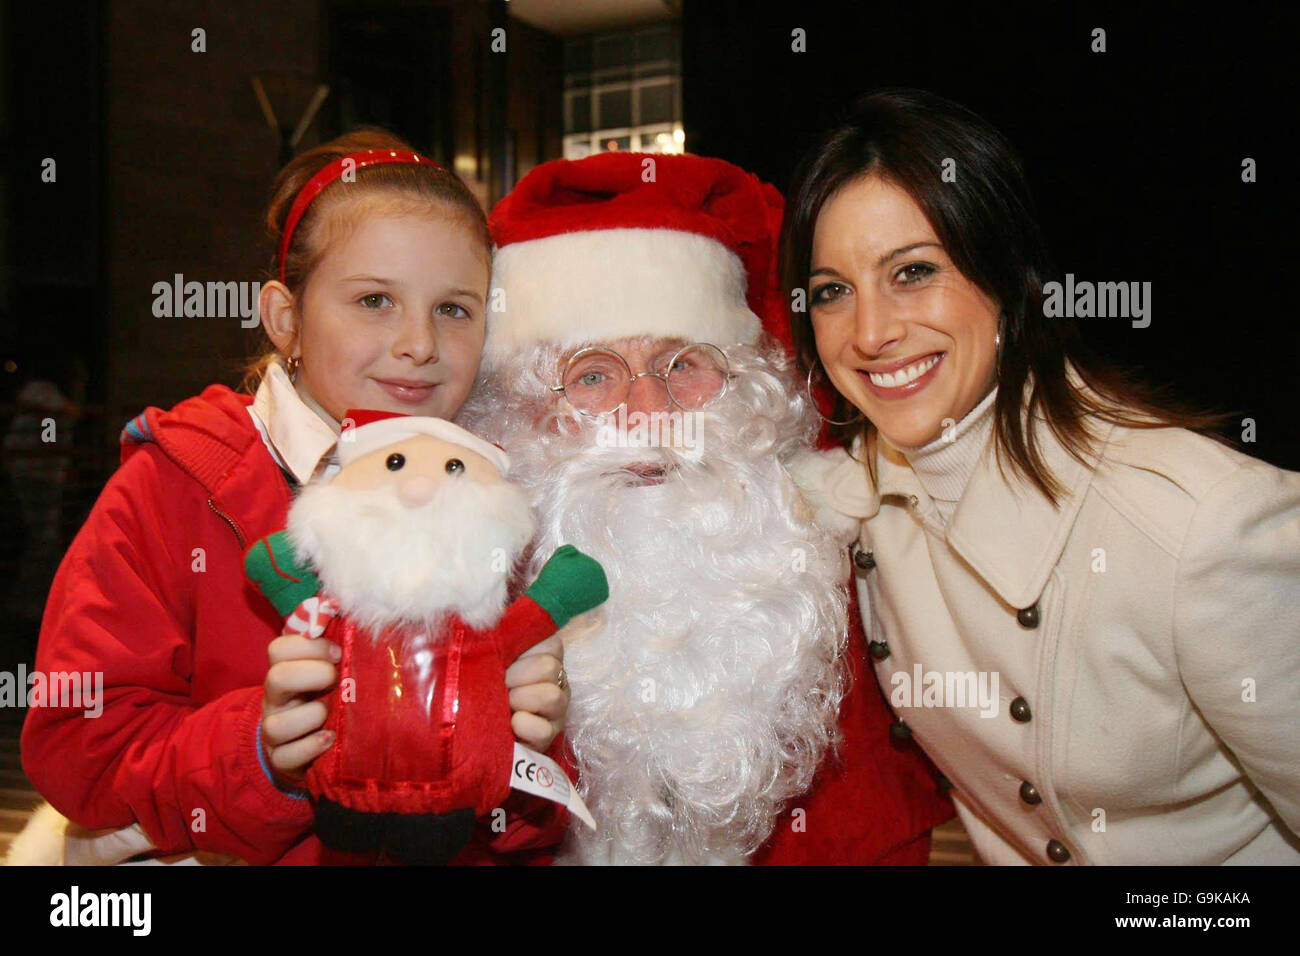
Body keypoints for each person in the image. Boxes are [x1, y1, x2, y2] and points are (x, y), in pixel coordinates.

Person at [12, 128, 570, 866]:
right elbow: (76, 750)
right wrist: (260, 750)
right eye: (375, 300)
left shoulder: (498, 498)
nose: (419, 344)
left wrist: (528, 748)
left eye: (454, 309)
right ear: (285, 320)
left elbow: (527, 831)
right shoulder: (177, 483)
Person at [785, 88, 1300, 864]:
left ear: (1009, 281)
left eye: (913, 271)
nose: (870, 333)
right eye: (832, 291)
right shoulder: (854, 504)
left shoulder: (1207, 525)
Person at [459, 150, 953, 864]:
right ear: (516, 413)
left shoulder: (857, 578)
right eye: (592, 374)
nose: (651, 411)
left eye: (683, 364)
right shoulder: (464, 618)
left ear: (749, 388)